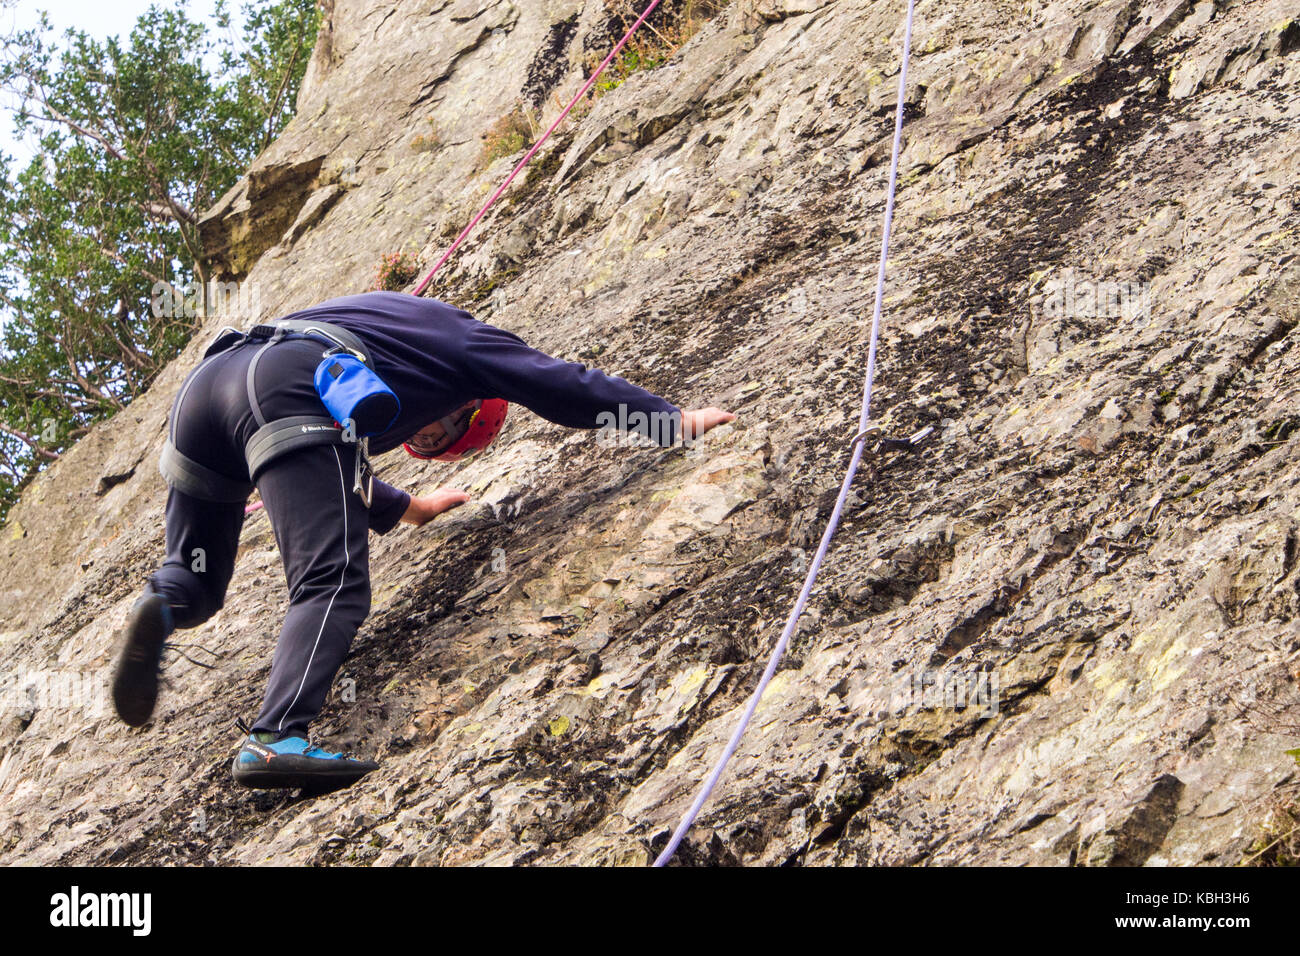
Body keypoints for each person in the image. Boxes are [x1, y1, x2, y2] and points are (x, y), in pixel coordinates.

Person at [111, 291, 736, 790]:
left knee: (195, 578)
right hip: (287, 381)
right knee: (332, 581)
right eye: (439, 435)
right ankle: (275, 738)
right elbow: (555, 380)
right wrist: (665, 419)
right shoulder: (463, 346)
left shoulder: (390, 337)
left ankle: (162, 604)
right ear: (471, 405)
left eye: (436, 446)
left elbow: (334, 472)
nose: (431, 437)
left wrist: (412, 507)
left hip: (206, 394)